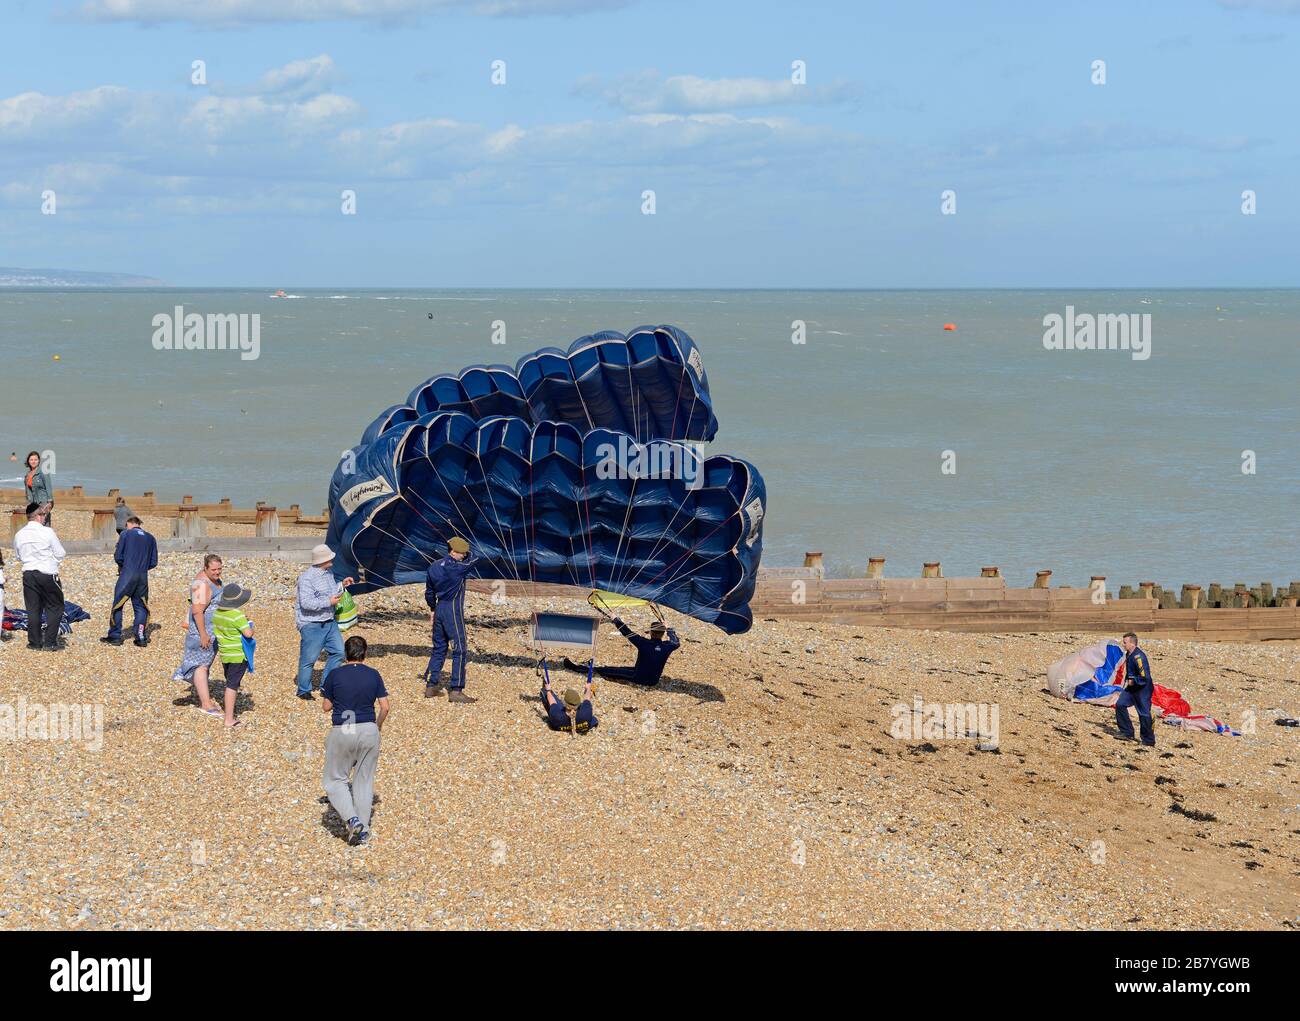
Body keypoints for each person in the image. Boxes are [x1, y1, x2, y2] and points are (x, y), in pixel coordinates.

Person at [321, 635, 390, 846]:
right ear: (365, 653)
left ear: (346, 653)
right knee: (364, 780)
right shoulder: (374, 674)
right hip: (368, 728)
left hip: (344, 728)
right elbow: (385, 707)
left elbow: (326, 706)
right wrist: (377, 726)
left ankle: (352, 820)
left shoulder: (335, 674)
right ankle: (363, 828)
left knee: (335, 779)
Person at [422, 536, 478, 703]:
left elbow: (429, 593)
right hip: (452, 609)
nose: (464, 555)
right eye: (462, 553)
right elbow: (475, 557)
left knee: (439, 648)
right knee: (460, 649)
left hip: (439, 608)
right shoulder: (458, 567)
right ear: (454, 552)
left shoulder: (433, 567)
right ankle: (456, 690)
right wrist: (467, 552)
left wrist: (432, 609)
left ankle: (431, 686)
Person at [295, 544, 353, 701]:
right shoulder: (306, 578)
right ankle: (303, 690)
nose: (332, 560)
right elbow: (306, 603)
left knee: (339, 652)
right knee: (309, 659)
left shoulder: (328, 573)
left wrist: (342, 585)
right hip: (312, 624)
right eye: (329, 558)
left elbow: (332, 592)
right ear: (322, 560)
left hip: (329, 621)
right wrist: (328, 602)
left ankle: (326, 686)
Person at [174, 554, 224, 717]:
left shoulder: (211, 580)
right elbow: (197, 610)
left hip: (211, 629)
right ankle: (206, 703)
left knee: (204, 664)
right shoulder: (202, 584)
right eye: (214, 570)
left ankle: (204, 698)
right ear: (205, 568)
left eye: (219, 569)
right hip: (202, 632)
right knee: (201, 666)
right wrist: (203, 634)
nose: (217, 572)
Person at [565, 616, 679, 687]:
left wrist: (615, 619)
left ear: (651, 633)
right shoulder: (668, 646)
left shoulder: (644, 643)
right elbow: (676, 642)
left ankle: (578, 668)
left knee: (607, 670)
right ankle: (589, 667)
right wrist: (669, 629)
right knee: (620, 668)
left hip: (638, 677)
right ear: (663, 634)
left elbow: (627, 632)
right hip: (653, 680)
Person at [13, 502, 66, 652]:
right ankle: (49, 642)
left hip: (29, 573)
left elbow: (18, 556)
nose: (44, 517)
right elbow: (60, 553)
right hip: (47, 572)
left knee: (33, 608)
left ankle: (35, 642)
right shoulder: (47, 532)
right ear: (37, 516)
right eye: (43, 515)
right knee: (55, 606)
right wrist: (52, 563)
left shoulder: (19, 534)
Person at [101, 516, 157, 647]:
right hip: (143, 576)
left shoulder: (126, 534)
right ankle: (141, 637)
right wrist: (142, 567)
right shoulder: (150, 537)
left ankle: (115, 636)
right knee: (141, 606)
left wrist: (125, 565)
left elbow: (118, 556)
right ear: (139, 524)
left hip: (127, 574)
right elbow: (154, 562)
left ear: (128, 524)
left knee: (118, 604)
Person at [212, 583, 255, 730]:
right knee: (232, 685)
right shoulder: (237, 615)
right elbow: (248, 633)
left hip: (225, 654)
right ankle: (229, 718)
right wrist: (250, 625)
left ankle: (230, 708)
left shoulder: (217, 613)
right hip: (237, 654)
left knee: (230, 680)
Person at [1116, 631, 1156, 747]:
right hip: (1132, 687)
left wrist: (1133, 681)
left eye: (1125, 642)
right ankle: (1127, 732)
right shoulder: (1128, 654)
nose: (1123, 644)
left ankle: (1148, 740)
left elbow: (1145, 677)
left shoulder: (1139, 657)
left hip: (1143, 689)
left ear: (1132, 643)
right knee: (1120, 704)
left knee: (1144, 714)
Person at [541, 671, 598, 736]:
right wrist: (588, 688)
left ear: (564, 703)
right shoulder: (586, 711)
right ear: (578, 703)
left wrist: (548, 690)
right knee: (592, 718)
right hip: (582, 722)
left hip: (559, 725)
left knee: (544, 692)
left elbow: (552, 701)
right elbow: (587, 698)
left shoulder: (556, 714)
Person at [23, 452, 54, 523]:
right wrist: (29, 503)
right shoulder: (28, 474)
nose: (33, 461)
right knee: (34, 525)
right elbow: (28, 491)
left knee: (44, 524)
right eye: (31, 460)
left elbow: (48, 487)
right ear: (28, 461)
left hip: (43, 502)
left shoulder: (43, 471)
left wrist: (50, 502)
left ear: (39, 461)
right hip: (33, 504)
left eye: (35, 460)